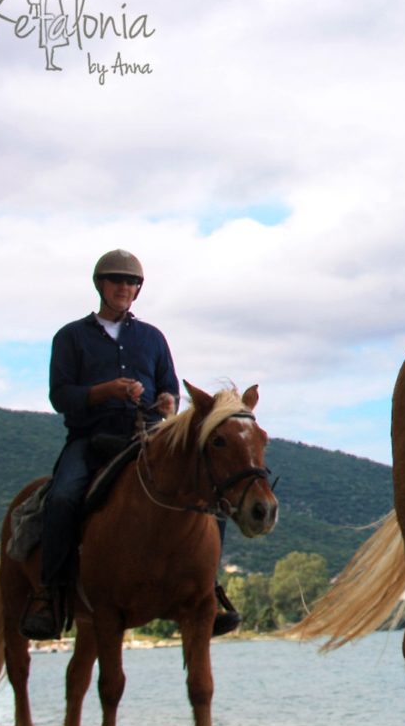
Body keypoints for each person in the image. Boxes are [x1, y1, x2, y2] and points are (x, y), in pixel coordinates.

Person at [19, 250, 240, 640]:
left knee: (210, 494)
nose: (124, 287)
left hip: (148, 437)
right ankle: (49, 594)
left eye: (131, 282)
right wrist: (105, 391)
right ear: (100, 285)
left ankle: (208, 589)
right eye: (116, 280)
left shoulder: (152, 338)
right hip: (91, 439)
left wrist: (168, 402)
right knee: (64, 497)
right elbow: (61, 396)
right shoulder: (70, 337)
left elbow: (168, 387)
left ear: (138, 290)